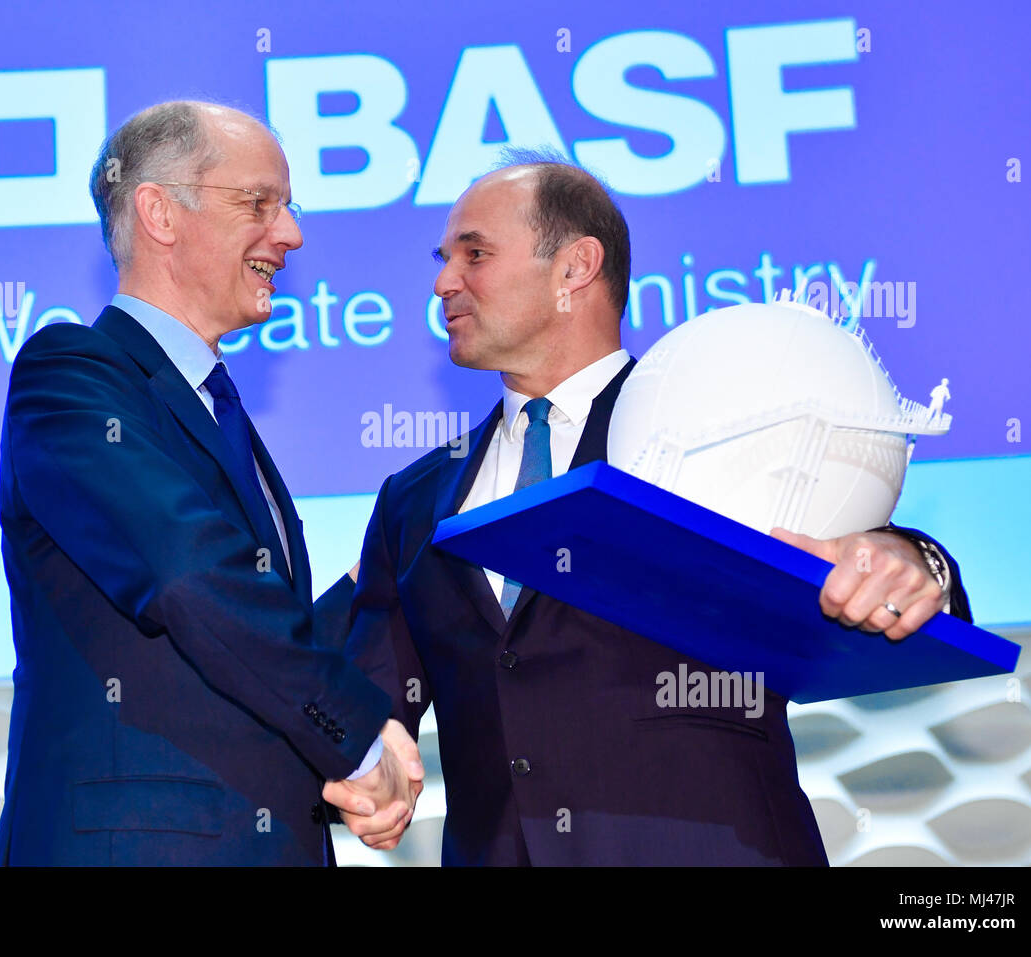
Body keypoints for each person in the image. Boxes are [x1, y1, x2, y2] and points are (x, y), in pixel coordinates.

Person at [342, 154, 972, 865]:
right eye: (443, 258)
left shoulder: (722, 421)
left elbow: (867, 553)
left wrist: (915, 566)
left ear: (575, 267)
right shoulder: (412, 496)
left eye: (475, 254)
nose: (443, 282)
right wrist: (369, 750)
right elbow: (369, 693)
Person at [0, 101, 422, 866]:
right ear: (158, 211)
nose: (290, 234)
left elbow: (241, 635)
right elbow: (189, 579)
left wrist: (389, 568)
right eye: (258, 203)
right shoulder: (72, 374)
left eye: (288, 207)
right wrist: (357, 738)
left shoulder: (216, 409)